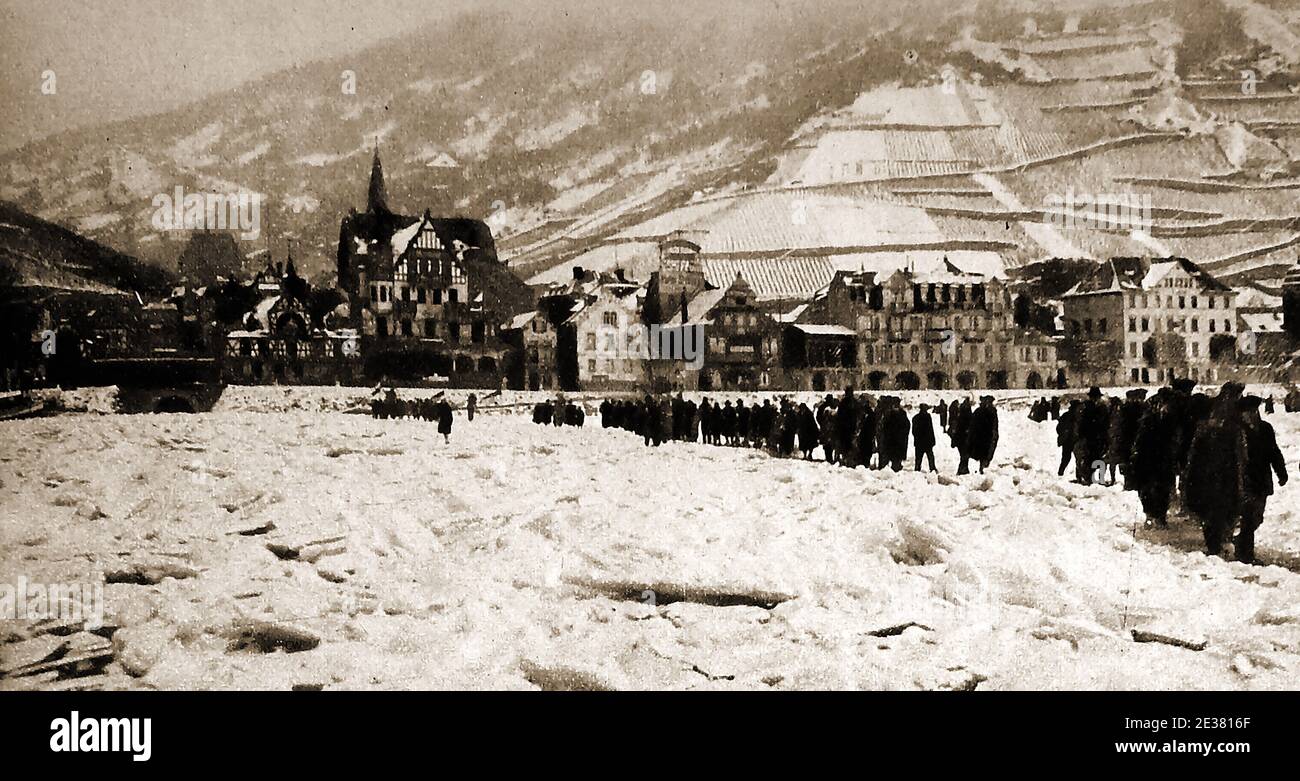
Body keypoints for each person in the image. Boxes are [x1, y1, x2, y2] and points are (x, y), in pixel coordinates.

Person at [1182, 387, 1248, 557]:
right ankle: (1218, 545)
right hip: (1215, 478)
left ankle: (1220, 544)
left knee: (1221, 512)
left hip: (1222, 477)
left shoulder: (1227, 431)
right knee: (1217, 513)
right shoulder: (1208, 432)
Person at [1237, 395, 1288, 564]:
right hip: (1243, 480)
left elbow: (1274, 452)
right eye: (1247, 412)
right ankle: (1245, 554)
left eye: (1254, 411)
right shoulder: (1238, 431)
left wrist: (1281, 473)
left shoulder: (1266, 428)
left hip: (1261, 480)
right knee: (1248, 517)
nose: (1251, 415)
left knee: (1257, 517)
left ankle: (1241, 543)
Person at [1129, 389, 1181, 529]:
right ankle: (1155, 516)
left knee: (1154, 487)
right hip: (1156, 457)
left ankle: (1155, 515)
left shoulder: (1156, 416)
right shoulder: (1158, 417)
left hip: (1154, 457)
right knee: (1155, 487)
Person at [965, 396, 999, 474]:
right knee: (985, 453)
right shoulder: (989, 411)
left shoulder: (984, 411)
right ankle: (981, 467)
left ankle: (981, 466)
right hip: (984, 436)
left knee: (983, 453)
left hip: (983, 436)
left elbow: (972, 423)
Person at [1057, 399, 1079, 477]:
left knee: (1066, 458)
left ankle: (1060, 472)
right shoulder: (1078, 417)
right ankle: (1078, 476)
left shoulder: (1065, 415)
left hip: (1067, 440)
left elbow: (1058, 428)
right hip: (1074, 440)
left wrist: (1062, 435)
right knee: (1078, 459)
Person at [912, 403, 937, 472]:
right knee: (930, 457)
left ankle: (917, 469)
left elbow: (914, 431)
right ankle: (932, 468)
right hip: (927, 442)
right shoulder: (928, 417)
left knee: (918, 458)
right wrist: (932, 440)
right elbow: (930, 430)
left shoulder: (915, 418)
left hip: (919, 442)